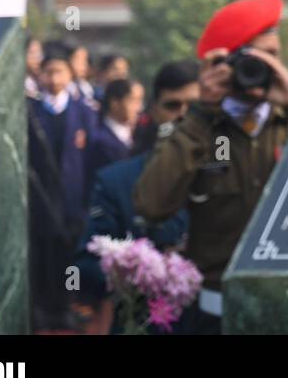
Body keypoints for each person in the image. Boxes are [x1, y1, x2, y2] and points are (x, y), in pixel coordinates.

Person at [134, 0, 288, 333]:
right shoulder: (196, 129)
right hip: (217, 317)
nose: (264, 68)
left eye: (273, 56)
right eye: (252, 59)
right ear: (221, 64)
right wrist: (200, 115)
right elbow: (151, 205)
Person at [72, 60, 199, 334]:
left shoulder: (223, 176)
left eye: (193, 107)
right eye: (172, 106)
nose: (182, 116)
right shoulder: (116, 181)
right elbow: (84, 266)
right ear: (154, 111)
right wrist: (138, 266)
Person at [28, 39, 99, 331]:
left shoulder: (85, 111)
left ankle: (70, 304)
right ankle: (47, 307)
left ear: (71, 75)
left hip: (74, 197)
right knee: (45, 252)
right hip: (42, 197)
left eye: (60, 72)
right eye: (48, 72)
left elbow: (93, 156)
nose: (54, 79)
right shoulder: (30, 110)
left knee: (71, 252)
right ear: (40, 75)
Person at [87, 76, 144, 180]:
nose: (139, 108)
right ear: (115, 103)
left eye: (140, 101)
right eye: (134, 100)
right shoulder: (100, 140)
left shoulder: (138, 135)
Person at [69, 45, 99, 111]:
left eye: (85, 59)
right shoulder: (62, 87)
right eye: (78, 59)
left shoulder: (88, 88)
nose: (83, 64)